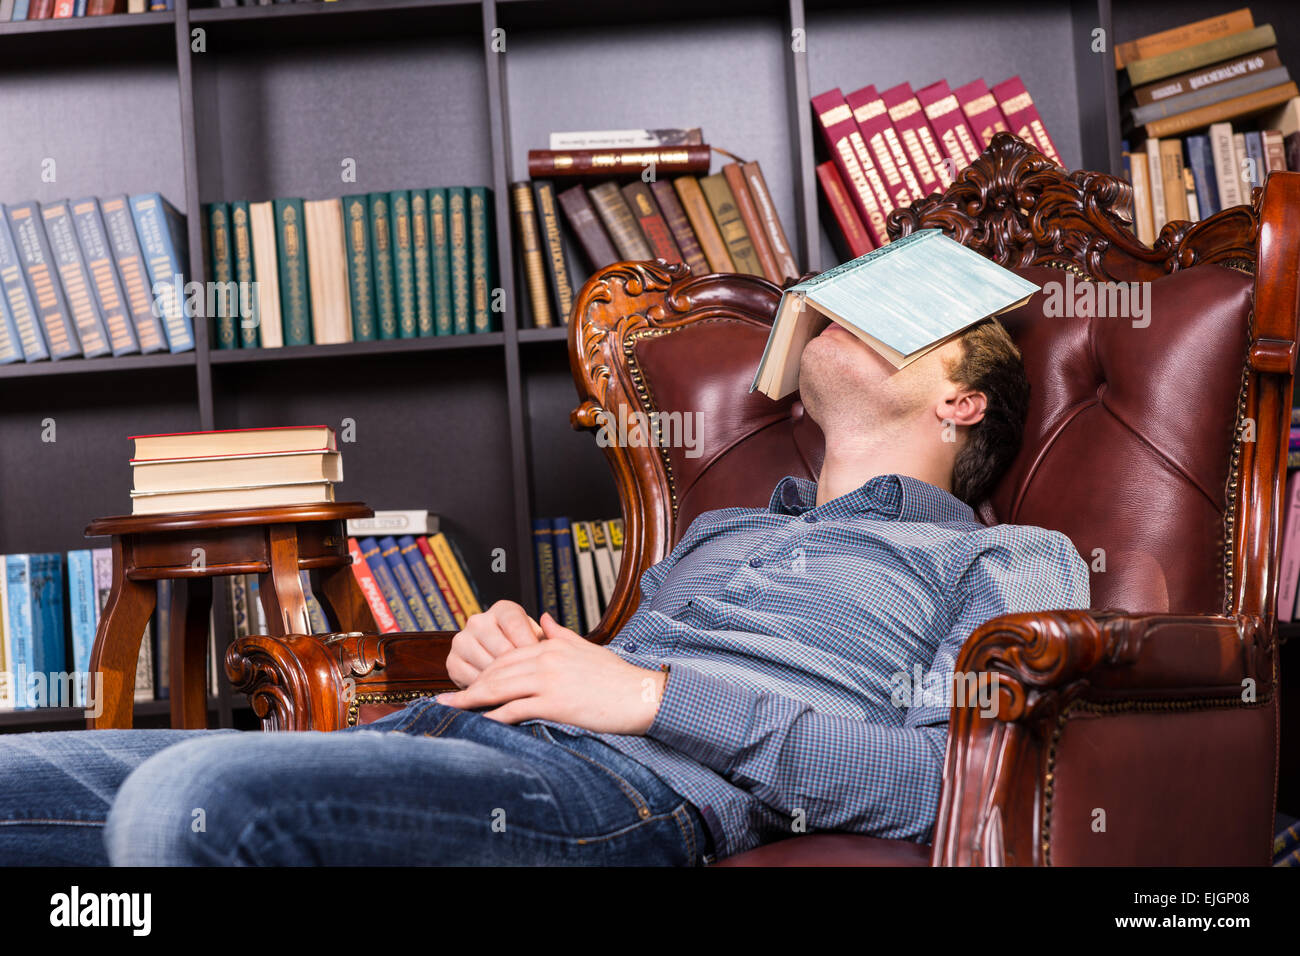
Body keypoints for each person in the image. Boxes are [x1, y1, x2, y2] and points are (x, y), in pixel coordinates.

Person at [0, 315, 1088, 866]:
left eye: (900, 314)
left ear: (961, 400)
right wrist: (507, 649)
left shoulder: (1004, 556)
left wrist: (658, 698)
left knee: (186, 805)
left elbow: (952, 776)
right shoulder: (722, 530)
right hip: (444, 732)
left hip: (635, 789)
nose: (842, 306)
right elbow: (602, 668)